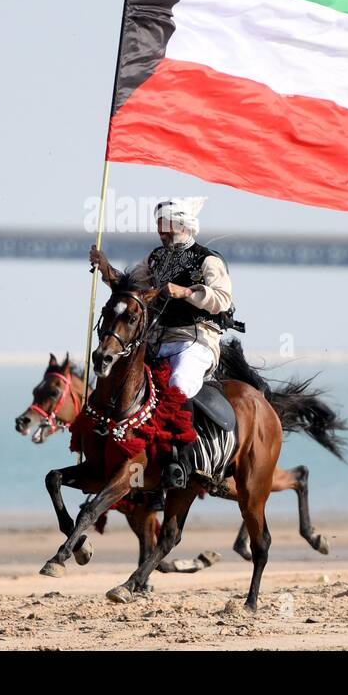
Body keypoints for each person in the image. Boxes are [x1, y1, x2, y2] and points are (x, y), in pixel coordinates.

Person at [88, 197, 234, 487]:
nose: (160, 232)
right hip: (155, 341)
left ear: (182, 225)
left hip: (195, 341)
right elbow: (130, 285)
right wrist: (105, 268)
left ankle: (181, 462)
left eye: (165, 227)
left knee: (177, 386)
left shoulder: (208, 260)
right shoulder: (155, 258)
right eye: (158, 226)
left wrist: (186, 292)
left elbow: (223, 299)